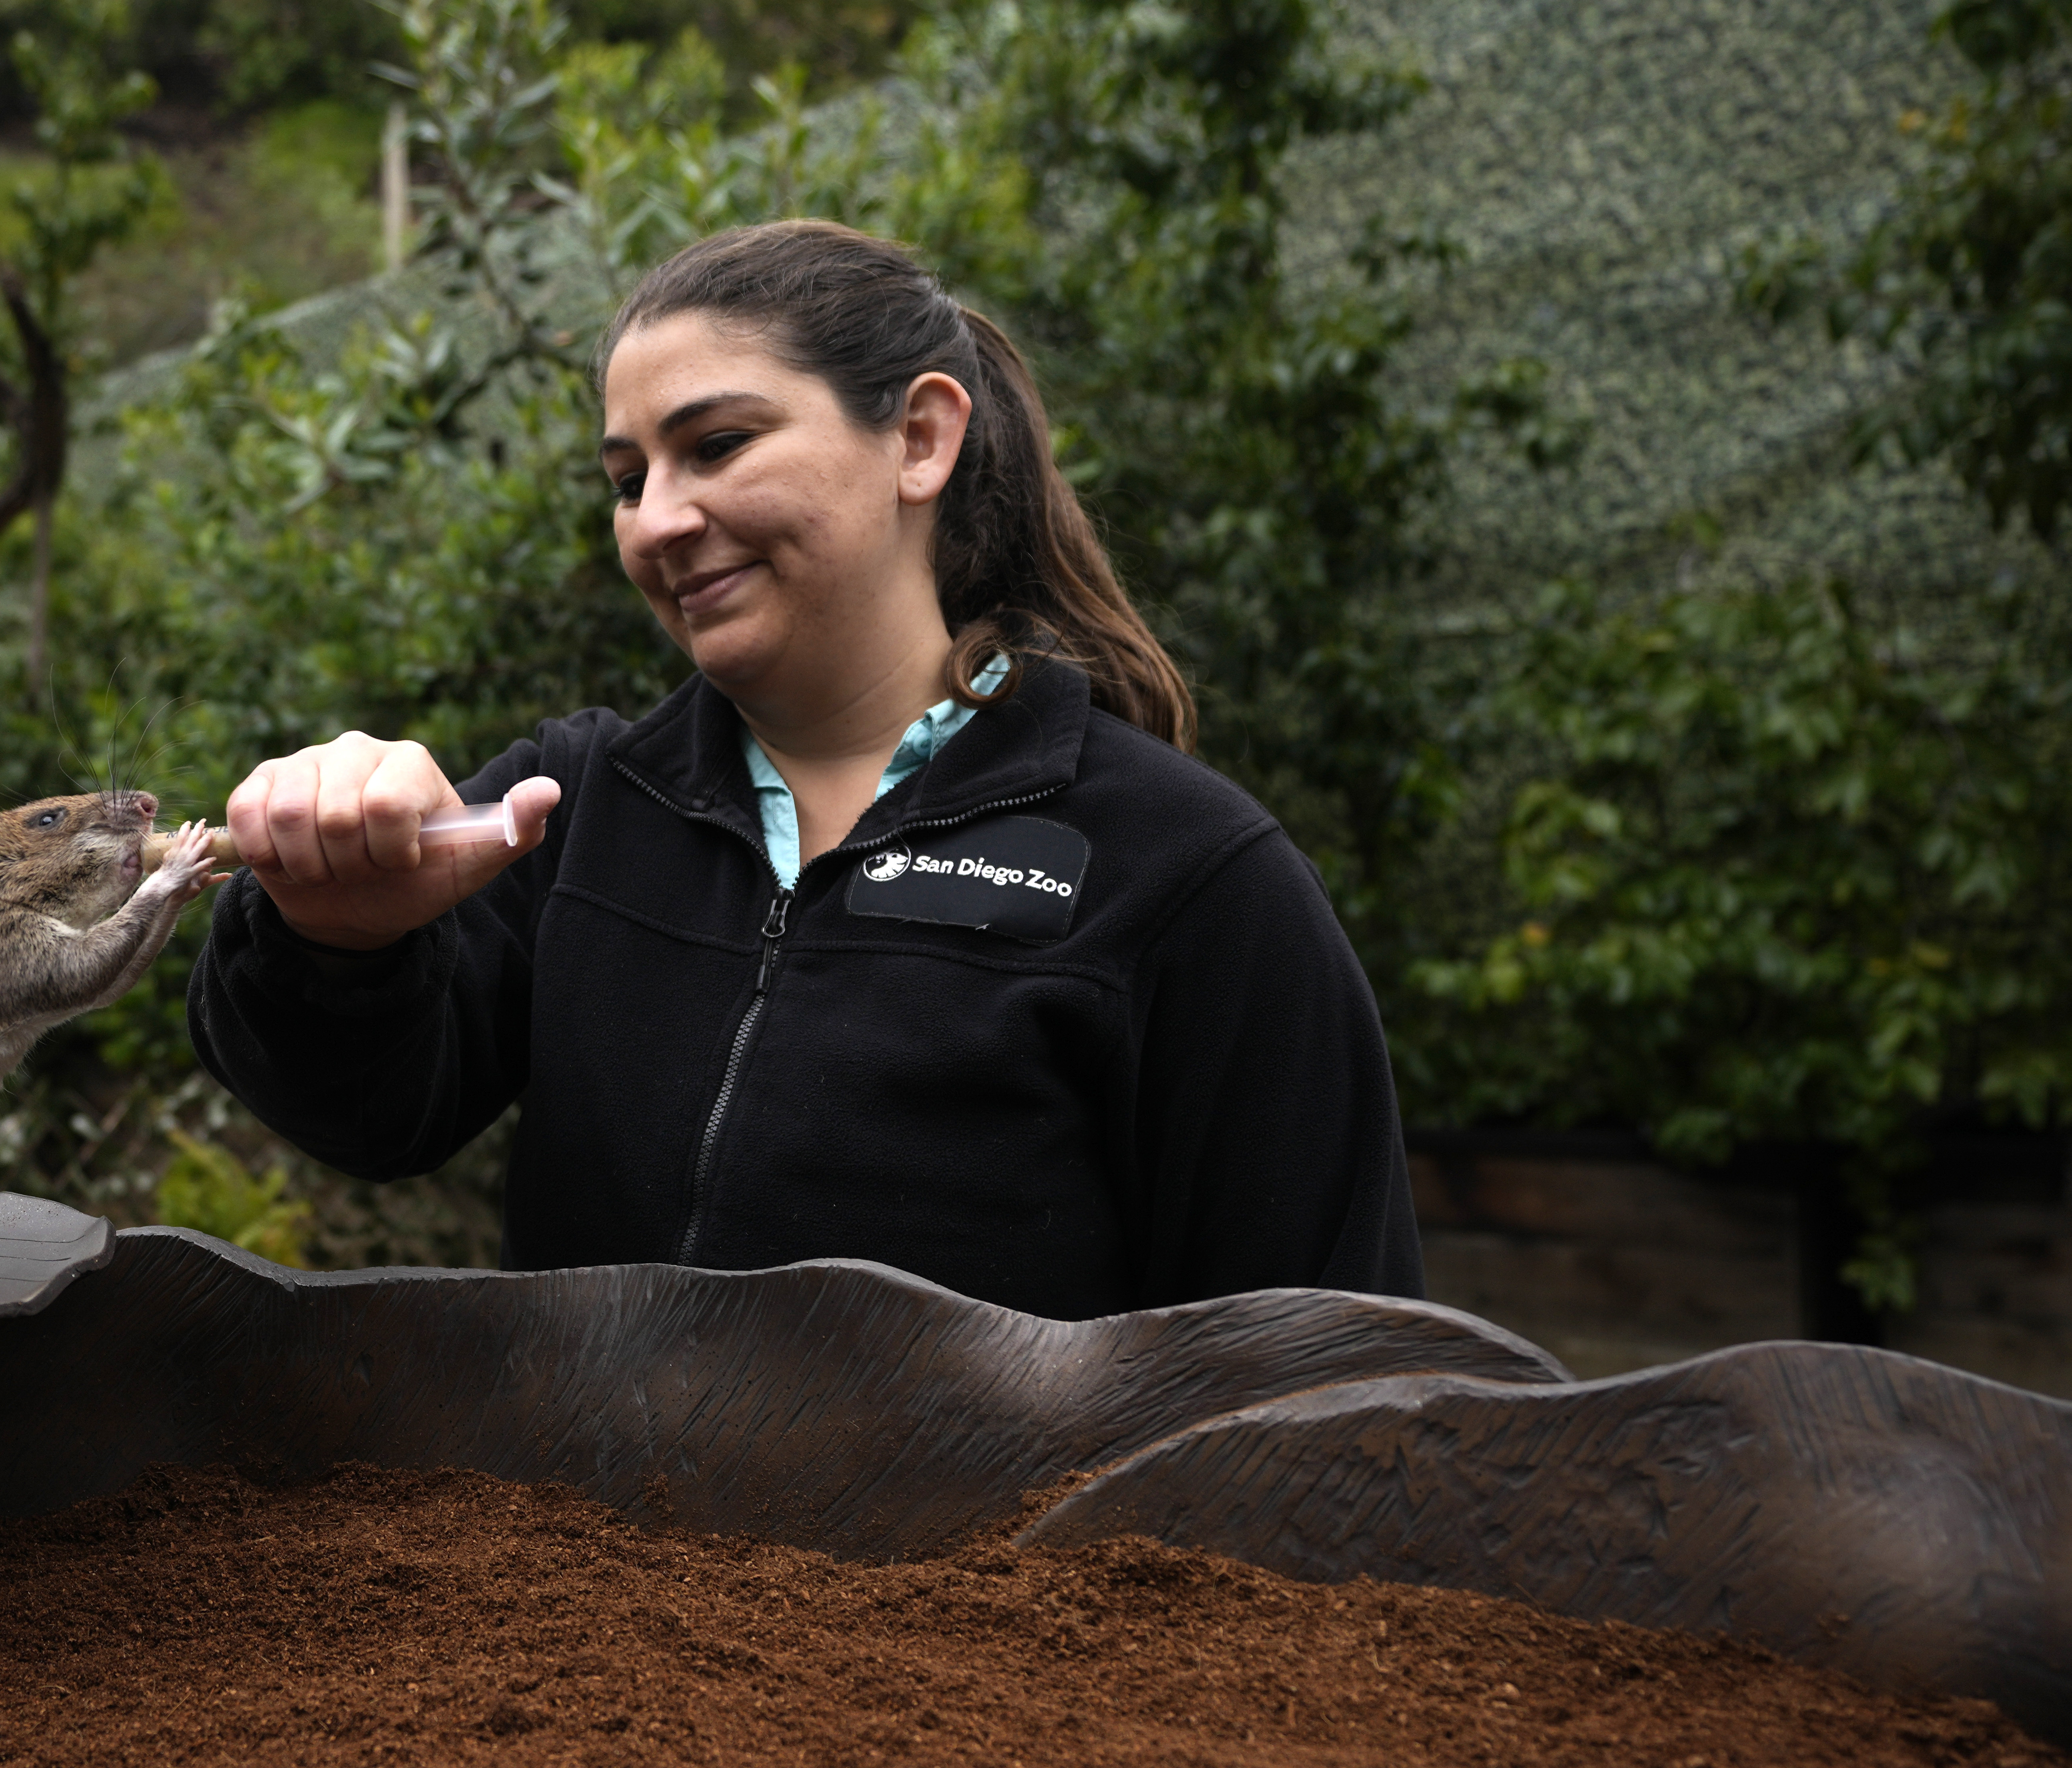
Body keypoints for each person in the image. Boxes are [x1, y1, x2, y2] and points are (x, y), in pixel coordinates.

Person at [185, 220, 1425, 1322]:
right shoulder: (569, 810)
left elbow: (1320, 1374)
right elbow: (365, 1113)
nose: (657, 520)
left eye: (716, 444)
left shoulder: (1185, 875)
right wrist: (332, 940)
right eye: (627, 480)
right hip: (584, 1572)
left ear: (922, 439)